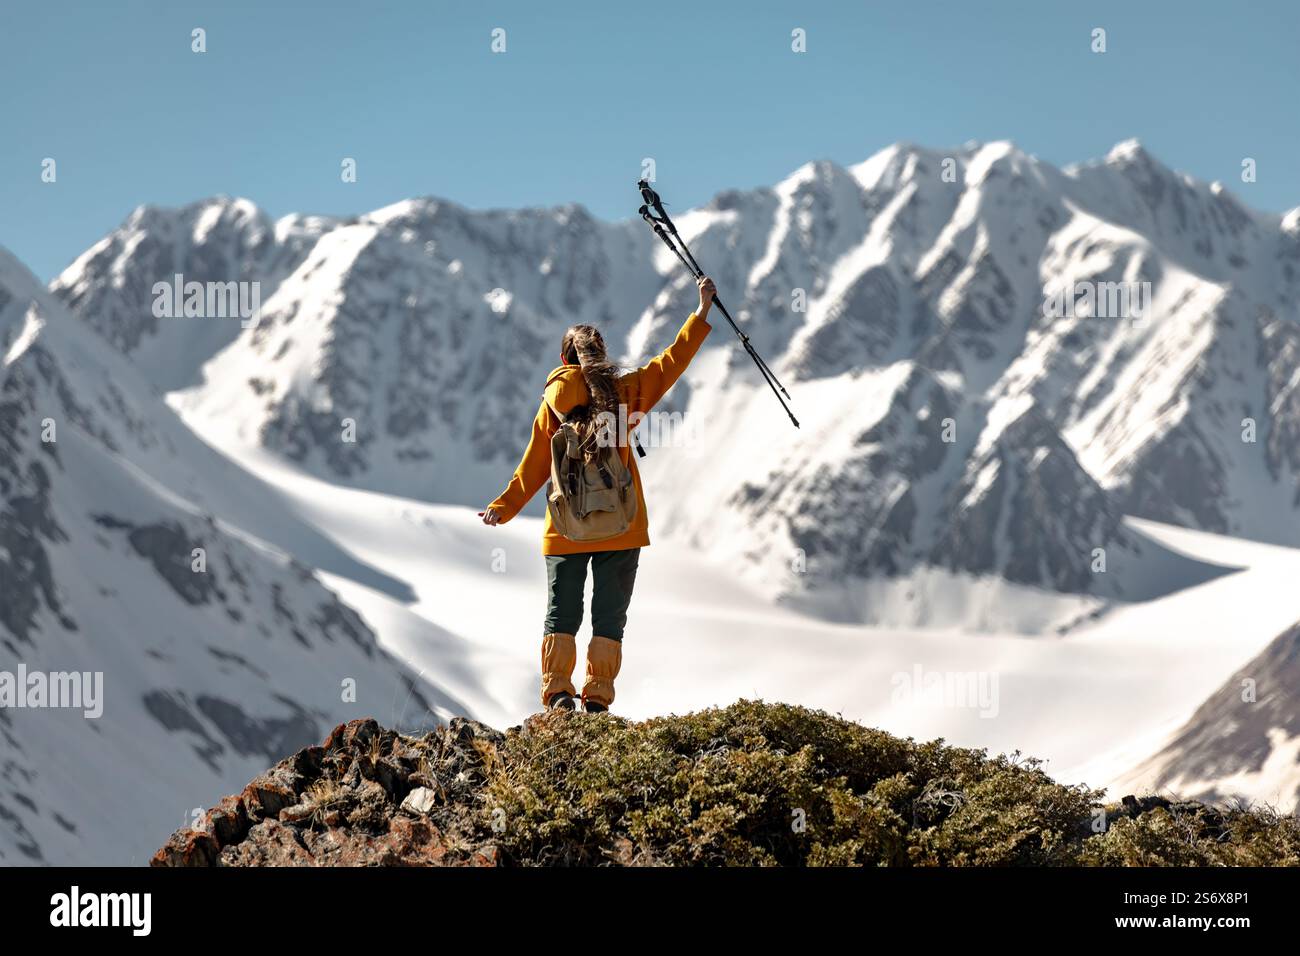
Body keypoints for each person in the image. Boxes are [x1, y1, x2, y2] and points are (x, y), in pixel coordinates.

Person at [482, 275, 716, 712]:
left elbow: (535, 464)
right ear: (602, 356)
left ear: (563, 358)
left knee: (562, 613)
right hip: (622, 525)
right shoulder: (626, 393)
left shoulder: (553, 401)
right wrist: (700, 313)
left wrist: (504, 506)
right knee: (609, 618)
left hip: (566, 526)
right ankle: (598, 697)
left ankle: (557, 694)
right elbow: (671, 362)